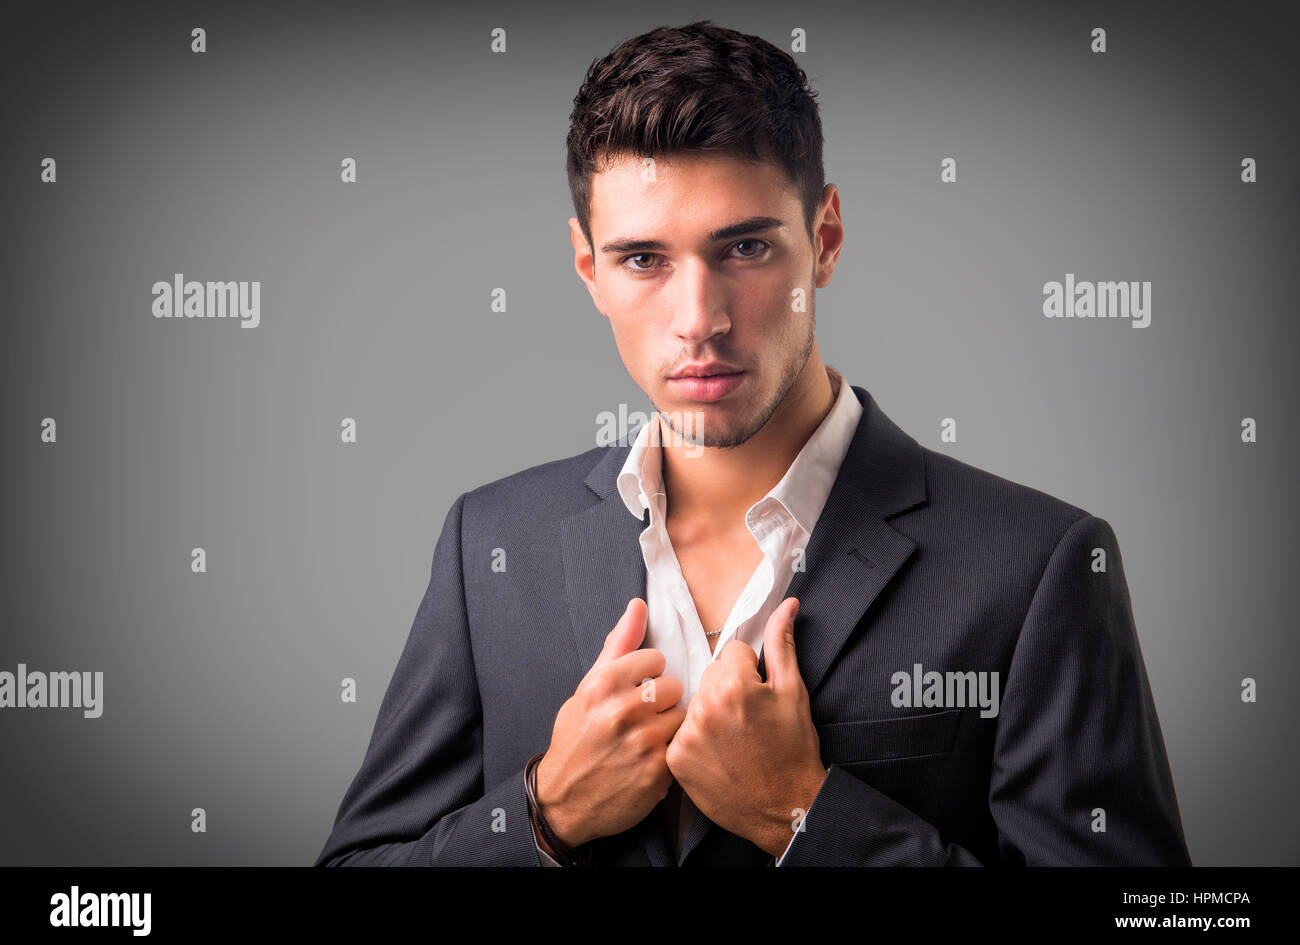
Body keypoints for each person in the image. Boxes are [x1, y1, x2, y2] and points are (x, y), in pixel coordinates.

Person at [315, 20, 1191, 867]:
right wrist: (545, 814)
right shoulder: (490, 546)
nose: (699, 320)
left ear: (825, 240)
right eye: (643, 260)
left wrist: (807, 819)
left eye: (743, 247)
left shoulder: (1037, 567)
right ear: (589, 269)